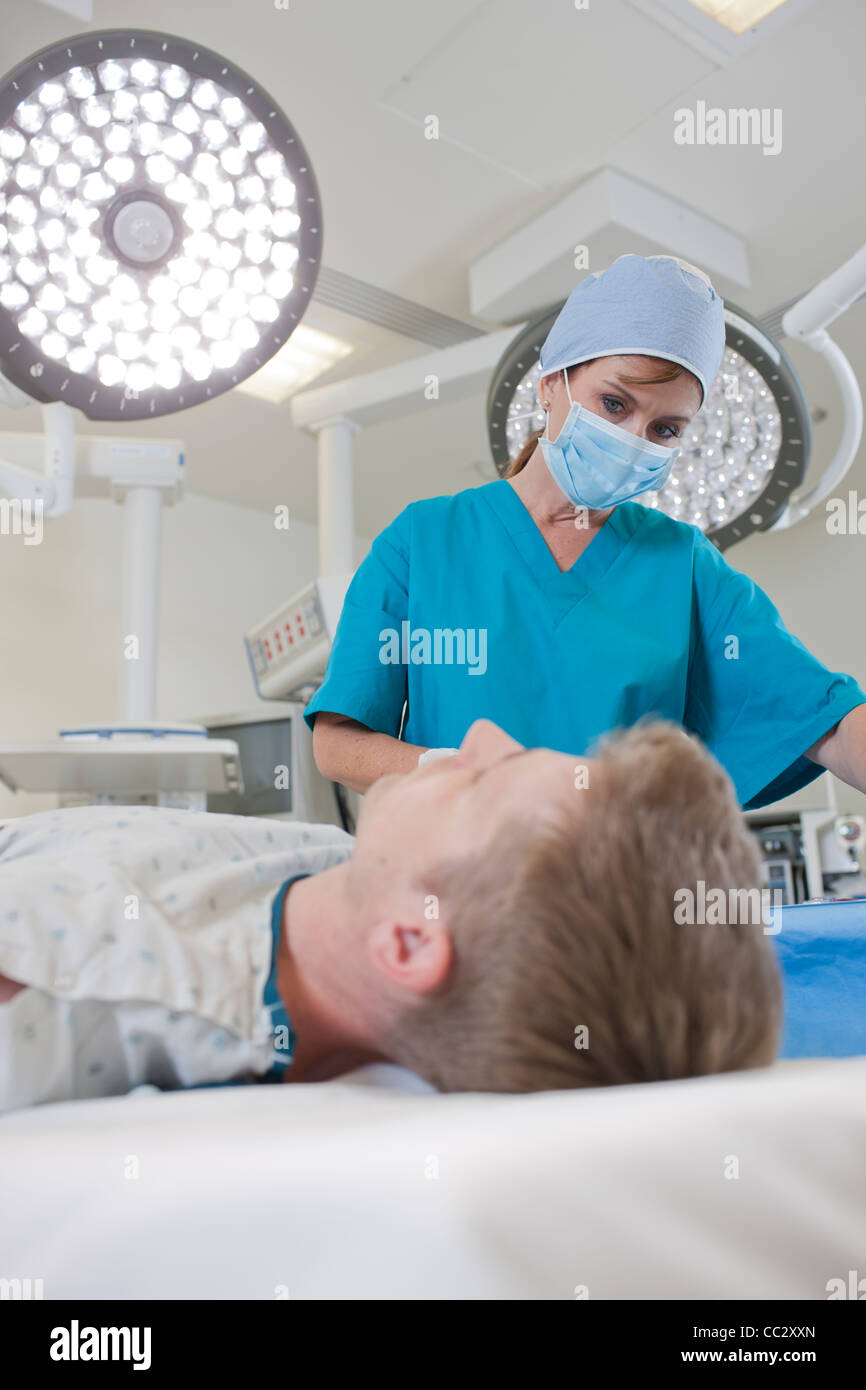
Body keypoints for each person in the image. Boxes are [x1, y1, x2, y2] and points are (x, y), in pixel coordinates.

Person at [306, 254, 866, 807]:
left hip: (621, 889)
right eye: (614, 403)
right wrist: (468, 778)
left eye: (666, 428)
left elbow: (828, 722)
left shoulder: (683, 565)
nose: (634, 438)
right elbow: (339, 742)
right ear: (552, 384)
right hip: (460, 882)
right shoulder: (423, 542)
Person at [0, 718, 781, 1109]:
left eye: (482, 781)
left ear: (408, 942)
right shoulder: (343, 873)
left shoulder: (103, 985)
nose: (475, 733)